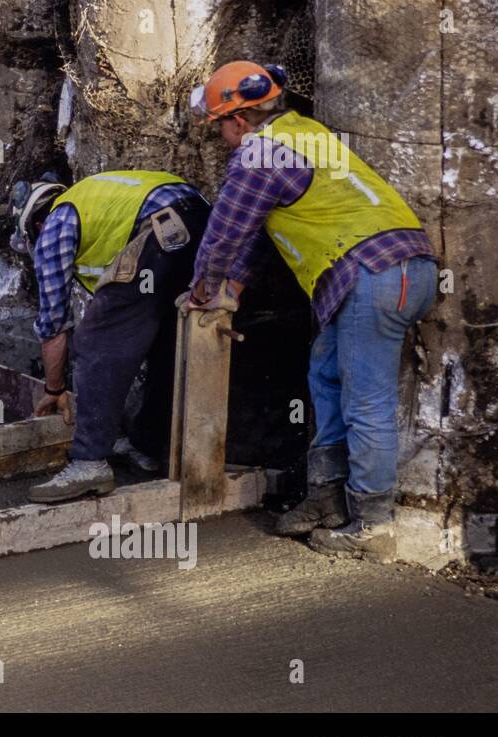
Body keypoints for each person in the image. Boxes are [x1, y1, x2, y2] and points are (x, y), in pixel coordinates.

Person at [184, 60, 437, 560]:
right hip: (398, 268)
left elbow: (225, 233)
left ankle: (373, 526)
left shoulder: (257, 154)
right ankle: (326, 500)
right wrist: (233, 283)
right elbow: (263, 229)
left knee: (367, 400)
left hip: (373, 275)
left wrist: (201, 292)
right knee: (325, 375)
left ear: (237, 120)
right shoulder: (305, 134)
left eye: (219, 129)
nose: (222, 141)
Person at [12, 170, 211, 501]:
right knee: (166, 343)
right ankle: (148, 446)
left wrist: (55, 387)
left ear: (33, 225)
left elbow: (53, 324)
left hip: (162, 231)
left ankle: (89, 461)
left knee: (96, 339)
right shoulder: (99, 200)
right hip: (202, 222)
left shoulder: (55, 224)